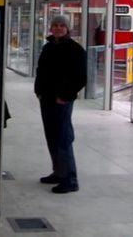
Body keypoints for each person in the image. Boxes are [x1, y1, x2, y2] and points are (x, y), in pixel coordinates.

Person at [34, 14, 87, 194]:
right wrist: (39, 91)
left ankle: (70, 179)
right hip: (47, 99)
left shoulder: (75, 50)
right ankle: (58, 172)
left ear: (67, 29)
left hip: (61, 101)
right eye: (55, 25)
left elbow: (80, 78)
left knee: (63, 139)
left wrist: (65, 96)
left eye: (61, 26)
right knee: (52, 137)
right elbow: (41, 70)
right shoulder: (48, 47)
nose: (58, 28)